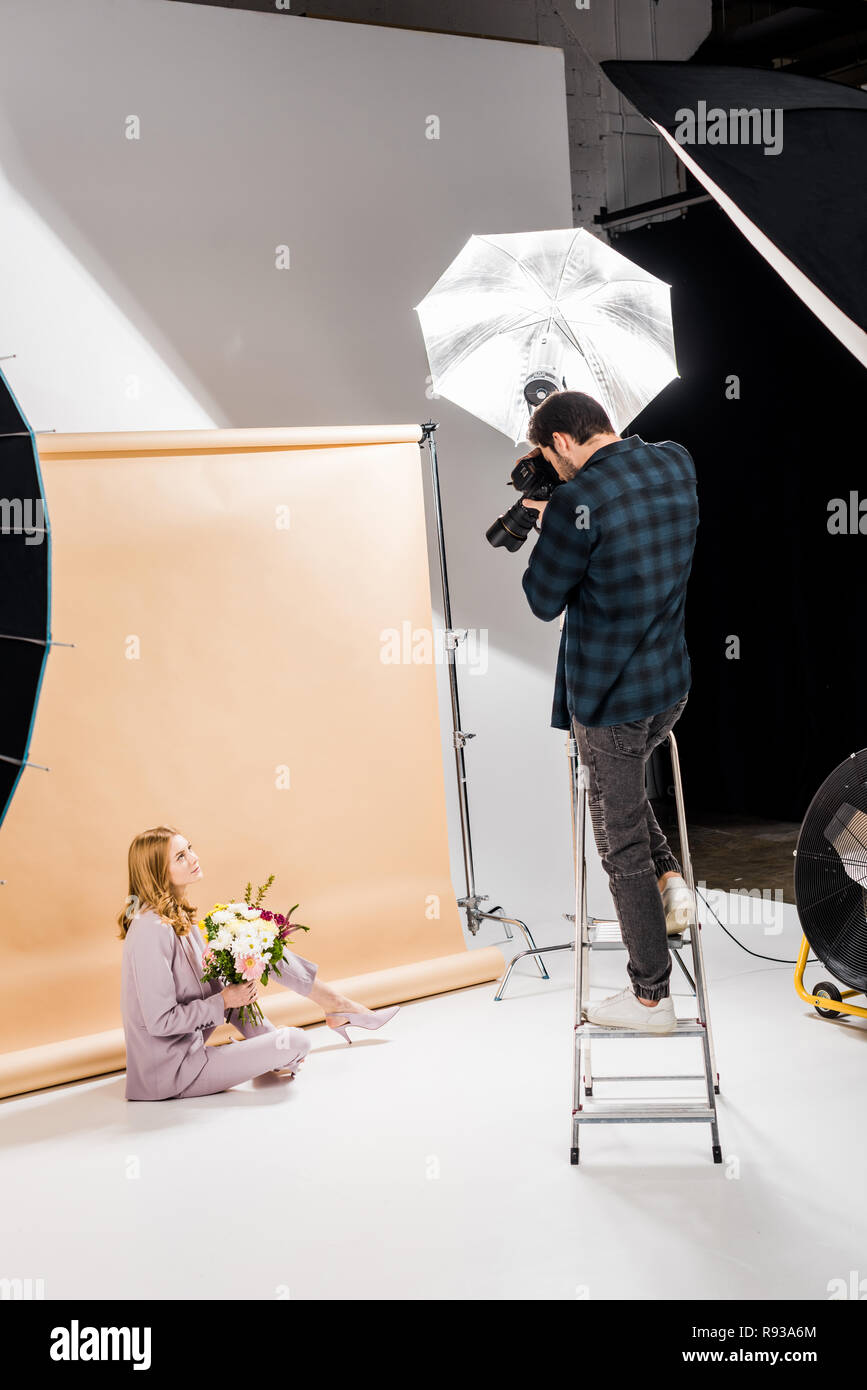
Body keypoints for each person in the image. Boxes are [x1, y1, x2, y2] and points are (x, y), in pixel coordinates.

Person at [520, 390, 698, 1035]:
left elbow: (543, 599)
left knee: (616, 836)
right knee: (626, 801)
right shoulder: (676, 461)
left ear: (562, 442)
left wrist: (550, 522)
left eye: (546, 452)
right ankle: (672, 882)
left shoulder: (571, 504)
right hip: (668, 687)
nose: (549, 464)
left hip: (612, 700)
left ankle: (651, 997)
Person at [118, 826, 398, 1100]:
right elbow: (159, 1022)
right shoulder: (150, 929)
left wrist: (240, 963)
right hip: (173, 1075)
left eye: (189, 848)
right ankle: (313, 1023)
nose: (194, 858)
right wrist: (226, 1002)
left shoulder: (175, 916)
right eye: (180, 856)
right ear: (157, 873)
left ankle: (331, 1007)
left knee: (253, 941)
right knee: (296, 1041)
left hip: (190, 1050)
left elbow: (215, 991)